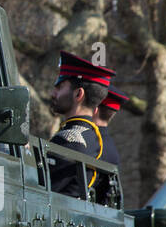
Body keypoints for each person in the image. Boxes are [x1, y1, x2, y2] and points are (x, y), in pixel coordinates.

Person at [46, 51, 119, 203]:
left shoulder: (71, 139)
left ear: (78, 94)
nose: (54, 93)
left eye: (60, 87)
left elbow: (42, 186)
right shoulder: (89, 135)